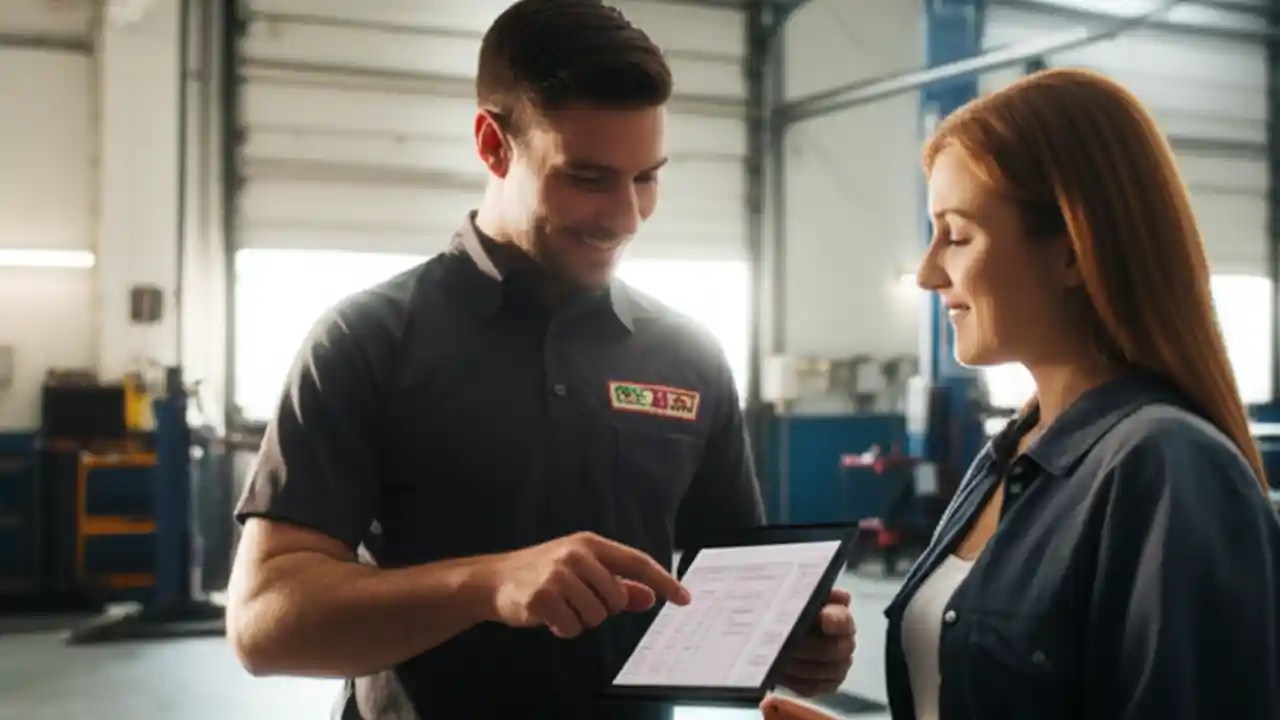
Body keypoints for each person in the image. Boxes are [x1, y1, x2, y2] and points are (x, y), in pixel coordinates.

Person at [224, 1, 855, 718]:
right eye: (588, 177)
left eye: (647, 177)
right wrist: (487, 585)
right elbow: (264, 624)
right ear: (494, 145)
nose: (626, 217)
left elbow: (736, 596)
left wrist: (799, 641)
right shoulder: (367, 341)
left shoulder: (687, 354)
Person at [894, 68, 1277, 720]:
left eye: (958, 235)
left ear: (1074, 250)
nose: (930, 271)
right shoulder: (1009, 455)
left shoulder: (1166, 467)